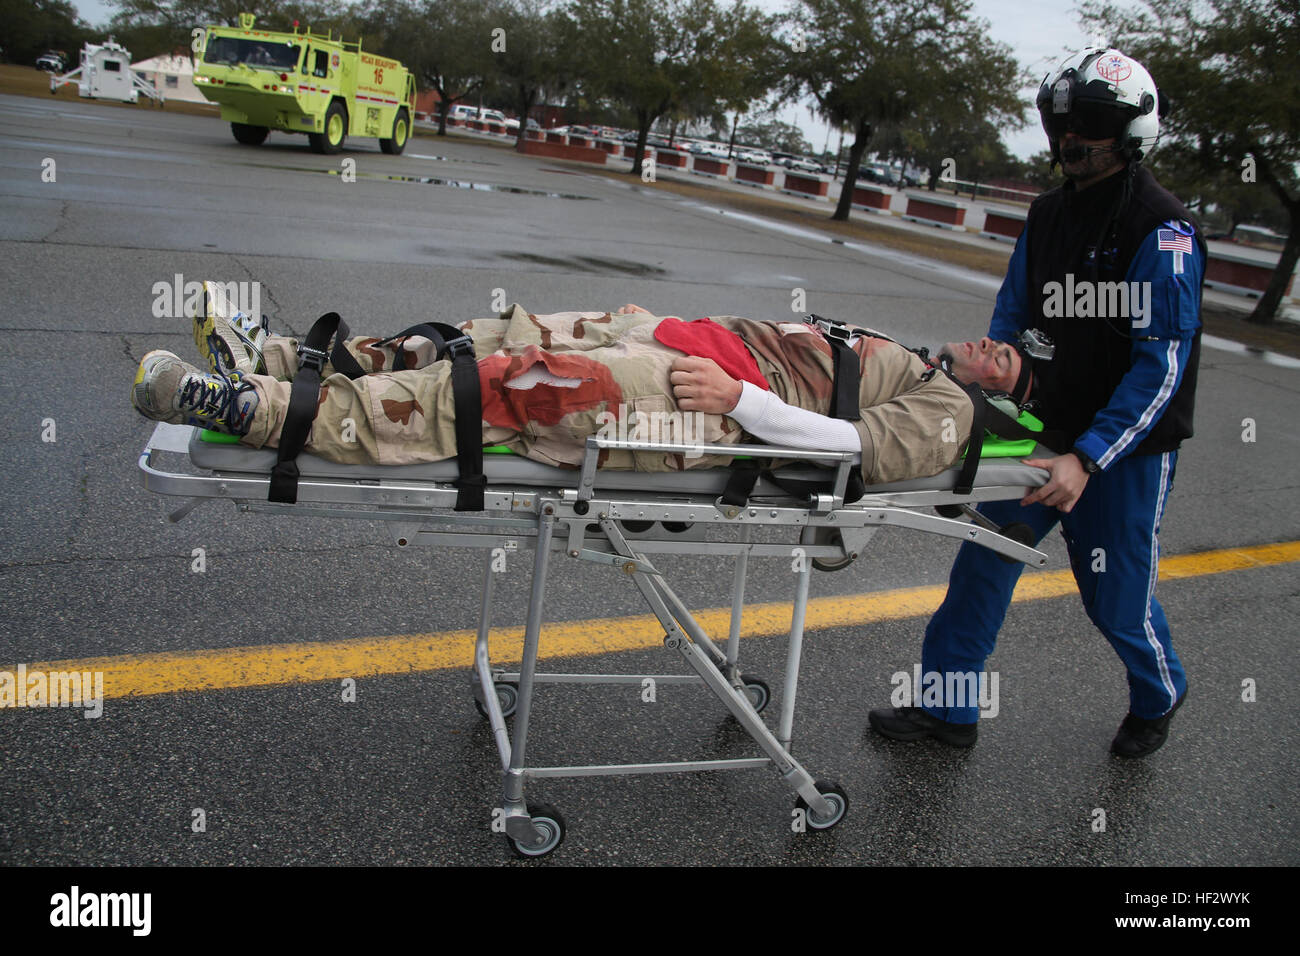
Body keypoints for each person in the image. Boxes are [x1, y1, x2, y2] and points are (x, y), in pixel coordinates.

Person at [868, 47, 1203, 758]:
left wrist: (1086, 457)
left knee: (1113, 599)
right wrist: (996, 385)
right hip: (1038, 432)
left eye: (1087, 126)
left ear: (1130, 132)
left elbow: (1161, 364)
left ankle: (1159, 692)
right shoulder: (1048, 213)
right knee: (982, 565)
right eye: (1062, 125)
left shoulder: (1164, 230)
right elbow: (1013, 312)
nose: (1069, 141)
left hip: (1122, 451)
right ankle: (949, 710)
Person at [131, 289, 1028, 484]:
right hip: (669, 341)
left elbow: (854, 449)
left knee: (515, 386)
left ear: (1012, 403)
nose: (994, 348)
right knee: (475, 337)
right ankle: (273, 362)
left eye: (1011, 364)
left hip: (695, 401)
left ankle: (256, 414)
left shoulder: (950, 414)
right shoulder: (916, 355)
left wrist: (737, 402)